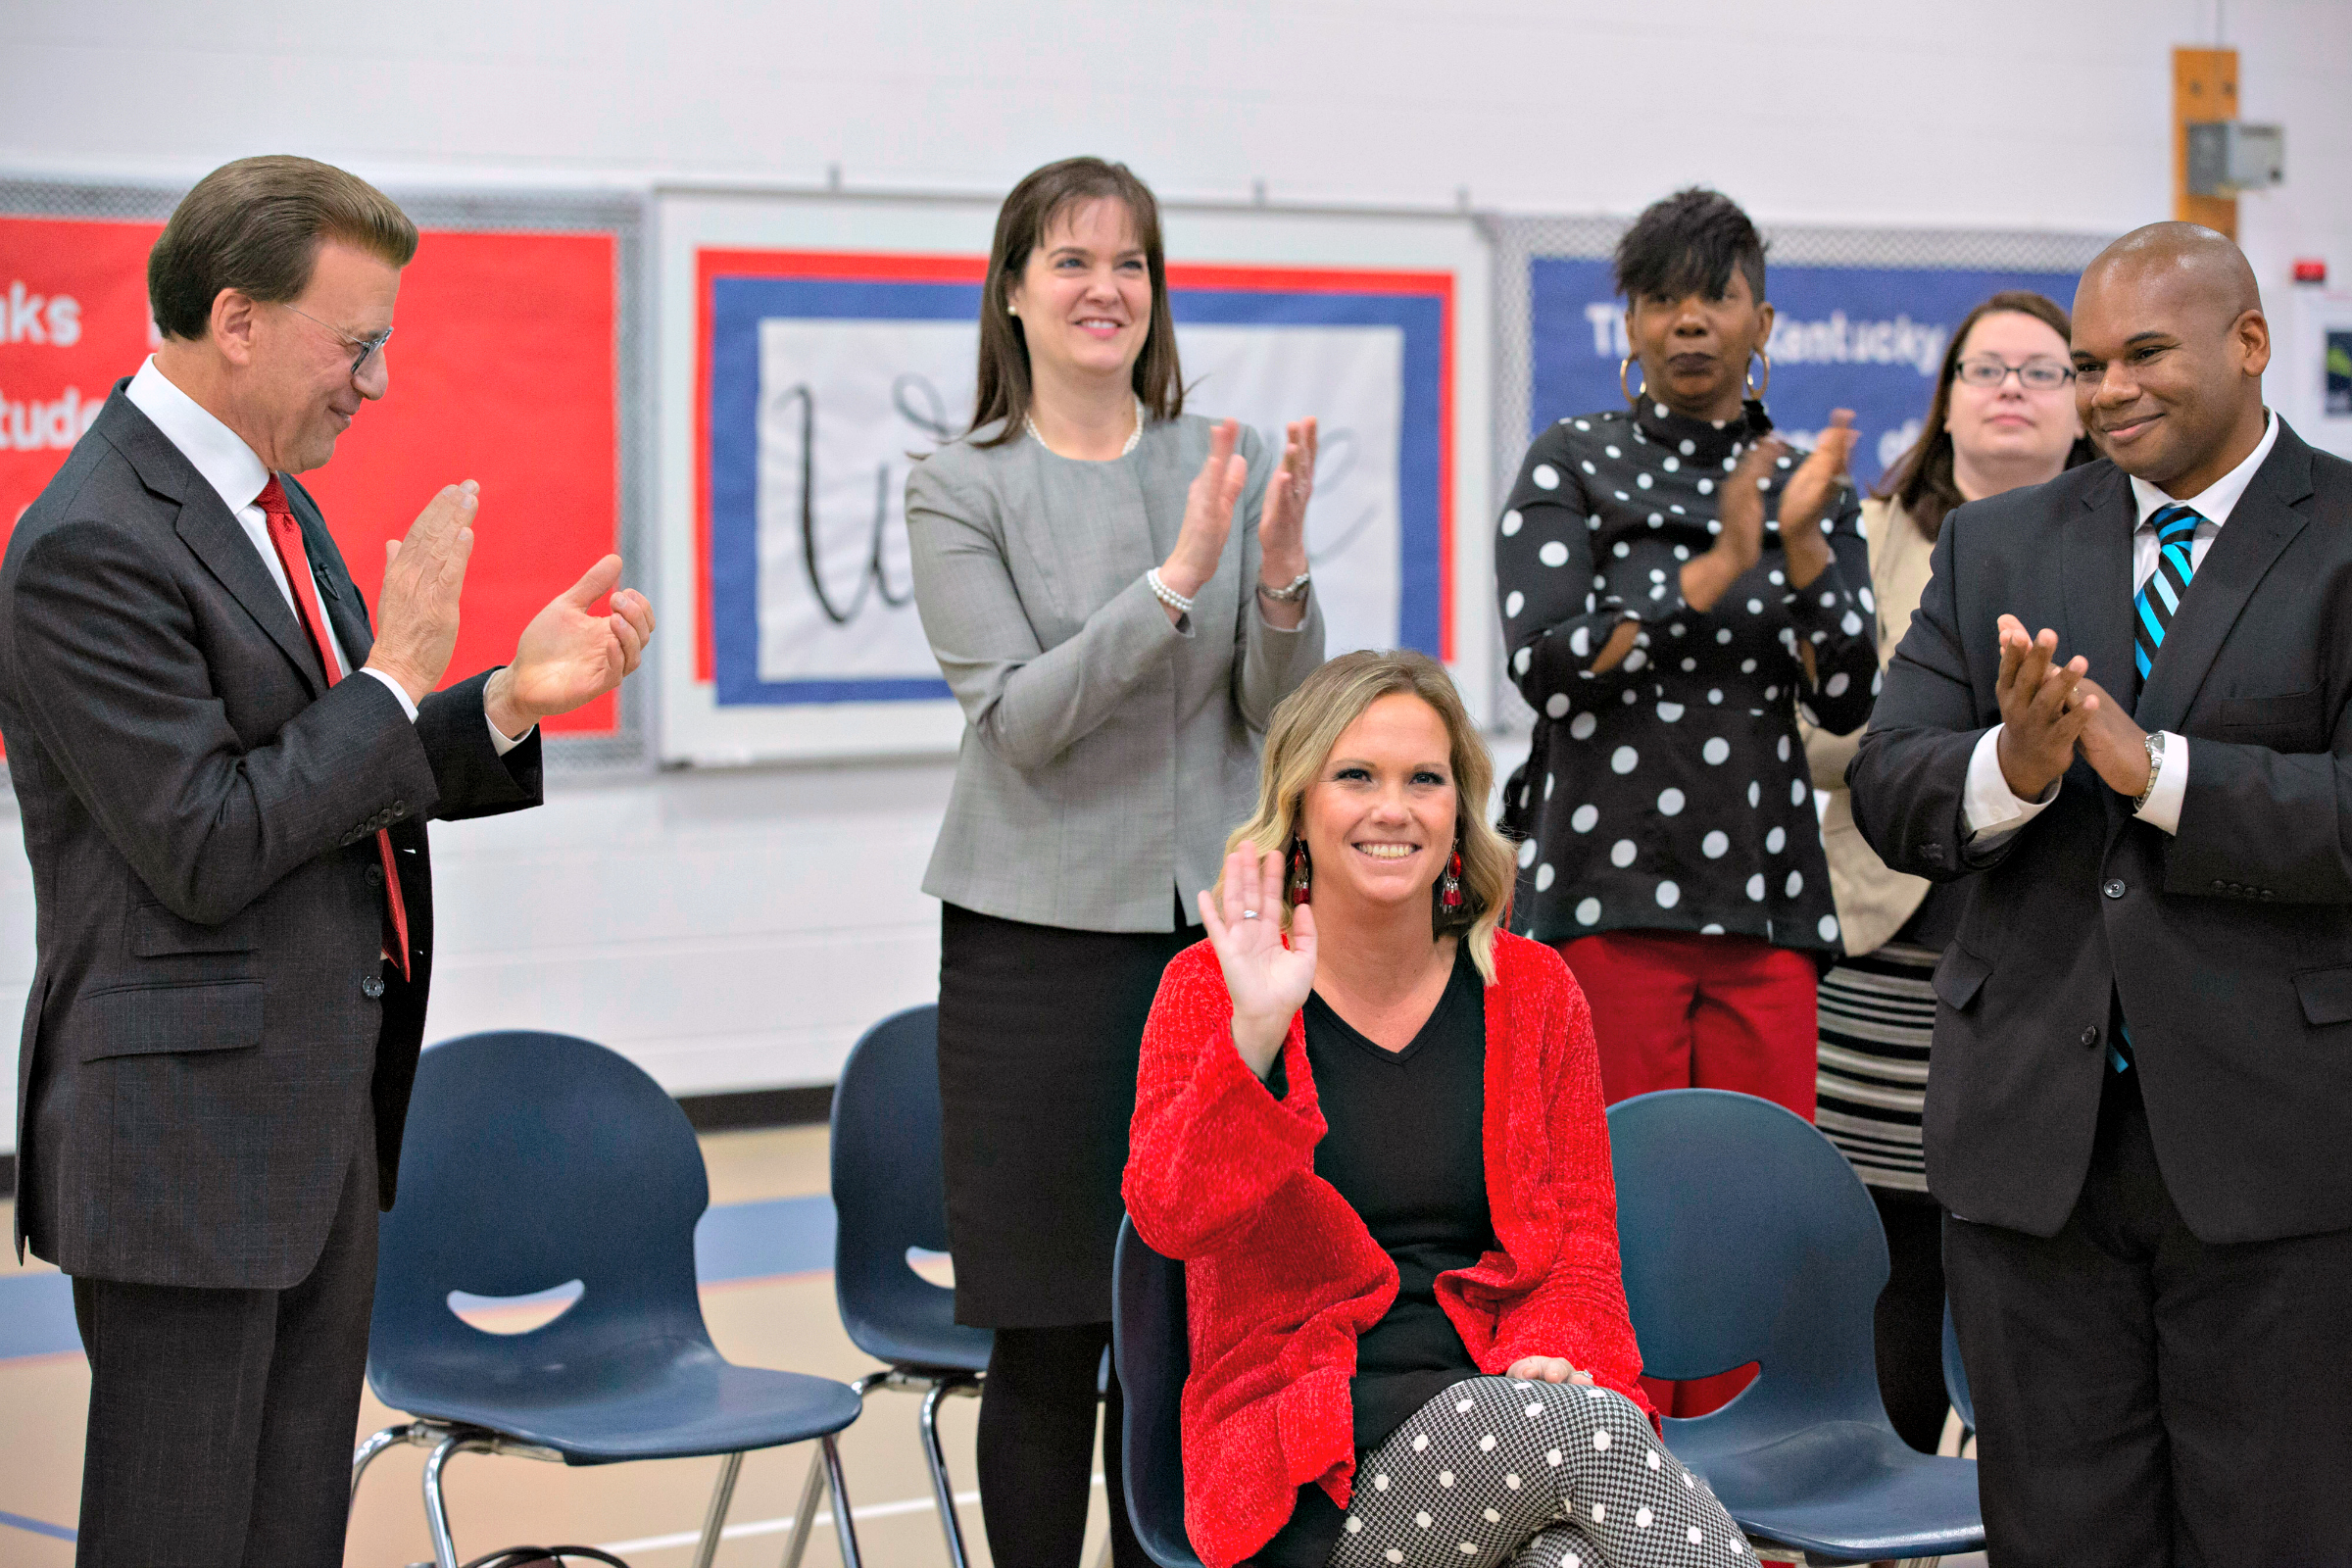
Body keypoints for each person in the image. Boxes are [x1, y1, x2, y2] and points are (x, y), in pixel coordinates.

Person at [1, 155, 653, 1567]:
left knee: (290, 1533)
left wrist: (501, 703)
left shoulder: (267, 505)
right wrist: (398, 666)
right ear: (238, 321)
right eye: (354, 345)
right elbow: (209, 839)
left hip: (311, 1131)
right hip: (185, 1150)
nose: (375, 382)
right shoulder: (85, 546)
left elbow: (335, 769)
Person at [1848, 221, 2352, 1564]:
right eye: (2087, 364)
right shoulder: (1997, 546)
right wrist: (2008, 771)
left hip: (2275, 1158)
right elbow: (1890, 788)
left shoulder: (2346, 536)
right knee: (2060, 1536)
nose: (2107, 389)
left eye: (2143, 355)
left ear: (2250, 345)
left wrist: (2163, 772)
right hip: (2033, 1153)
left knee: (2272, 1533)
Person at [904, 155, 1325, 1568]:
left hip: (1211, 950)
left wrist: (1273, 579)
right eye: (1072, 261)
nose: (1105, 288)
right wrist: (1175, 584)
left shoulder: (1221, 457)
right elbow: (1021, 722)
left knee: (1187, 1327)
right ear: (1013, 292)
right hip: (1031, 953)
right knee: (1049, 1334)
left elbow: (1279, 714)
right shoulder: (959, 485)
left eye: (1130, 263)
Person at [1125, 650, 1745, 1568]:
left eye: (1425, 778)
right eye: (1355, 777)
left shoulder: (1534, 991)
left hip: (1510, 1409)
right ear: (1298, 806)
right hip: (1315, 1463)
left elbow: (1580, 1248)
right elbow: (1169, 1218)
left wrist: (1553, 1351)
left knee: (1568, 1559)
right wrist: (1254, 1037)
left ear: (1458, 808)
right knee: (1590, 1435)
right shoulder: (1208, 992)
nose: (1393, 808)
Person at [1494, 187, 1875, 1414]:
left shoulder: (1805, 478)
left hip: (1765, 902)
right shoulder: (1572, 457)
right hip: (1606, 894)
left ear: (1763, 318)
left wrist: (1803, 551)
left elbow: (1852, 691)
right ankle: (1628, 1502)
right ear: (1632, 320)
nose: (1690, 322)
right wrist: (1708, 574)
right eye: (1663, 298)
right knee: (1624, 1217)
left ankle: (1761, 1509)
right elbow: (1544, 663)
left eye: (1716, 296)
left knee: (1759, 1209)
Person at [1802, 289, 2094, 1453]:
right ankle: (1886, 1483)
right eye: (1986, 370)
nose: (2013, 388)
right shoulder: (1868, 535)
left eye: (2042, 368)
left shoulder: (2126, 541)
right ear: (1945, 402)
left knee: (2035, 1257)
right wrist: (1947, 726)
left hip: (2059, 955)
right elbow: (1822, 741)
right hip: (1884, 953)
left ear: (2086, 405)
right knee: (1892, 1258)